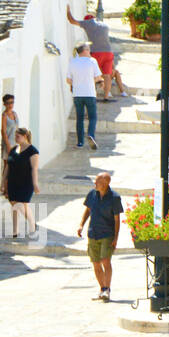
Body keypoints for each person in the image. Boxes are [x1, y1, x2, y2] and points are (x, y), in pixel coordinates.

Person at [77, 171, 123, 301]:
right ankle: (102, 289)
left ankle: (107, 289)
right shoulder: (92, 194)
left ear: (105, 184)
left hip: (107, 234)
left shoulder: (114, 197)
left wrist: (116, 238)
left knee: (105, 261)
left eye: (97, 181)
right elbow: (88, 209)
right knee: (96, 262)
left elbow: (117, 219)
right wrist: (81, 224)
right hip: (93, 233)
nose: (94, 183)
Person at [66, 8, 114, 101]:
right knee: (107, 75)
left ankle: (92, 95)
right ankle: (106, 96)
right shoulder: (104, 25)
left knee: (92, 74)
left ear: (86, 20)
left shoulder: (88, 23)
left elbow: (72, 21)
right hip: (108, 52)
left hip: (97, 52)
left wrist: (68, 11)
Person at [66, 43, 102, 149]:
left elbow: (68, 80)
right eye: (88, 49)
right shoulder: (92, 61)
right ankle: (91, 135)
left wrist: (77, 83)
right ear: (85, 50)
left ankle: (80, 142)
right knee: (92, 117)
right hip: (90, 93)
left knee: (79, 118)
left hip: (77, 94)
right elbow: (98, 77)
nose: (90, 50)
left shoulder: (72, 62)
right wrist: (91, 81)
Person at [5, 128, 39, 237]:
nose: (15, 139)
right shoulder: (13, 149)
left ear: (25, 136)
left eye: (18, 136)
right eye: (15, 136)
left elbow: (34, 168)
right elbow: (7, 167)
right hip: (12, 181)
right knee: (14, 204)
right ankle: (15, 231)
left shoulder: (33, 151)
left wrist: (35, 184)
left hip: (26, 182)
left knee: (21, 204)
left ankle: (32, 224)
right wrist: (2, 182)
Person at [0, 94, 18, 200]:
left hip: (15, 144)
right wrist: (9, 146)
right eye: (8, 103)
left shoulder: (15, 114)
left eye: (12, 102)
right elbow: (4, 132)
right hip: (8, 145)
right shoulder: (4, 116)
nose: (10, 105)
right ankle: (6, 190)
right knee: (7, 168)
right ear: (4, 104)